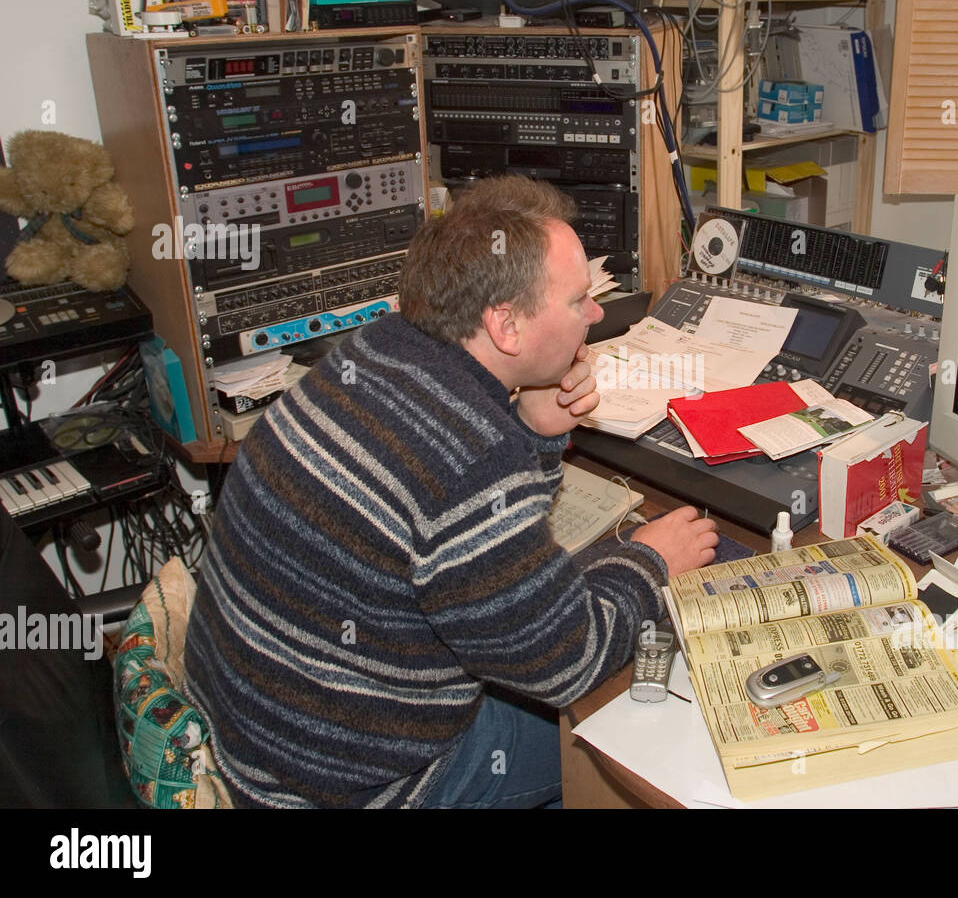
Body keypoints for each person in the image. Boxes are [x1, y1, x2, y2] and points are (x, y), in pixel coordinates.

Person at [183, 176, 718, 807]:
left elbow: (461, 526)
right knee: (649, 740)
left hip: (253, 728)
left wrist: (534, 430)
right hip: (339, 787)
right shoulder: (470, 451)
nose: (598, 314)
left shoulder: (376, 348)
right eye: (579, 300)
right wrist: (654, 564)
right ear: (506, 326)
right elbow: (567, 658)